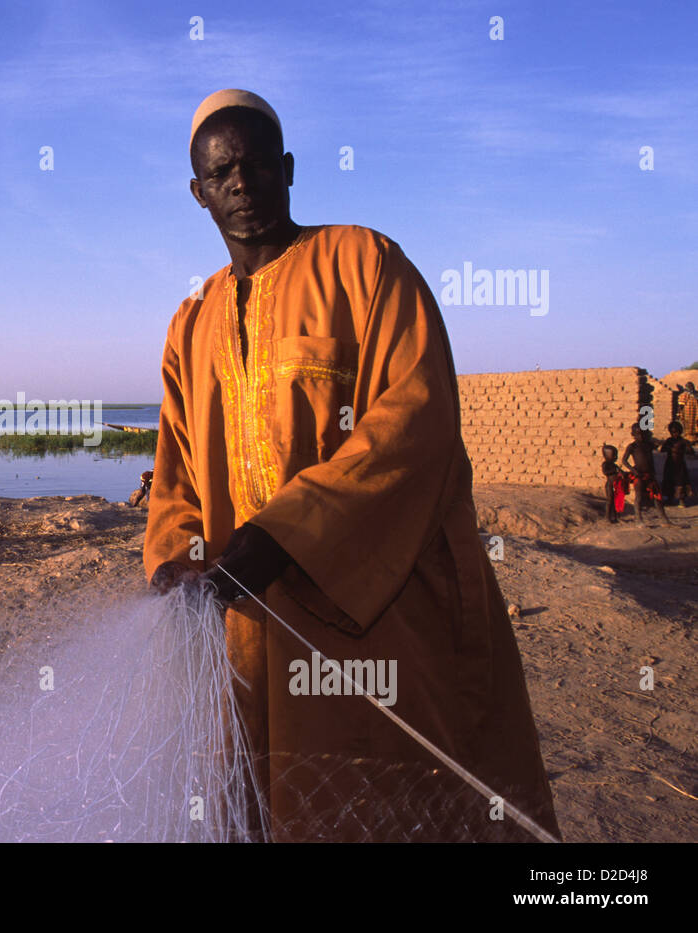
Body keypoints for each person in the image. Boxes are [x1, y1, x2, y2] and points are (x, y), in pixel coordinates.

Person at [143, 89, 559, 842]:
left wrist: (285, 537)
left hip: (374, 623)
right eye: (223, 172)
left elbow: (415, 422)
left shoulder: (367, 267)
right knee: (260, 798)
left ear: (290, 169)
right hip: (244, 635)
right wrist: (175, 561)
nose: (242, 184)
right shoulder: (190, 325)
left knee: (386, 801)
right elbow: (175, 469)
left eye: (258, 164)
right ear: (198, 193)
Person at [623, 425, 671, 524]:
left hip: (650, 475)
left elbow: (660, 446)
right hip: (638, 475)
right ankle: (638, 518)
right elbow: (624, 461)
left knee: (657, 497)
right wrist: (633, 471)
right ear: (633, 434)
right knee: (639, 497)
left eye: (642, 434)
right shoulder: (632, 446)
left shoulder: (648, 444)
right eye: (637, 434)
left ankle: (664, 519)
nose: (640, 436)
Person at [660, 421, 694, 507]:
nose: (674, 434)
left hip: (680, 465)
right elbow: (662, 450)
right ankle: (669, 499)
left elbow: (691, 452)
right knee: (669, 481)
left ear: (680, 431)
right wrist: (668, 447)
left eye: (676, 432)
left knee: (680, 482)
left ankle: (681, 500)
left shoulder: (683, 441)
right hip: (670, 464)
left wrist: (685, 450)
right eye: (672, 432)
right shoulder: (669, 441)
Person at [601, 444, 626, 523]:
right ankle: (607, 517)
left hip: (616, 485)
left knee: (616, 501)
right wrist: (615, 471)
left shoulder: (614, 465)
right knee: (610, 501)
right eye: (614, 455)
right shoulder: (605, 464)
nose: (616, 457)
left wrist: (624, 473)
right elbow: (606, 472)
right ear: (607, 456)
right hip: (610, 485)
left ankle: (615, 517)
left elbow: (620, 471)